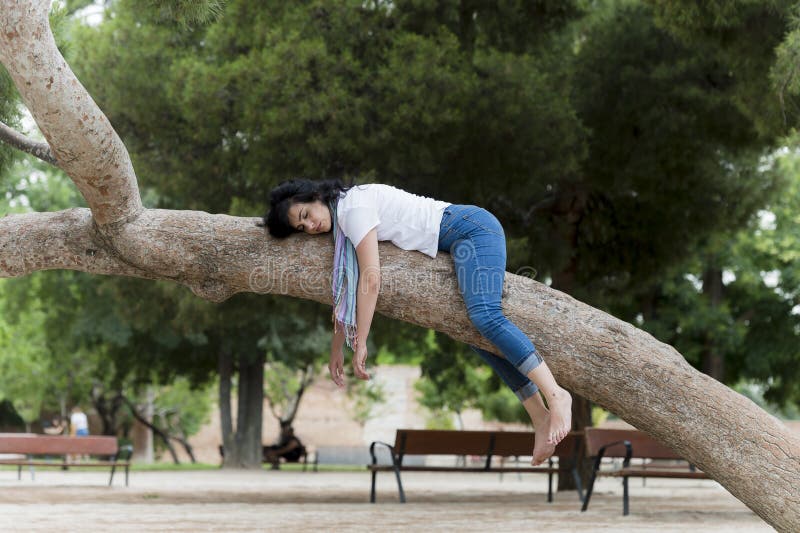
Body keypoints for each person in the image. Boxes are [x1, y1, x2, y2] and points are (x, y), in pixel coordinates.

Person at [264, 179, 572, 465]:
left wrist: (360, 342)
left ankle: (556, 395)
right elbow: (347, 286)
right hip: (456, 241)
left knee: (486, 316)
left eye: (305, 214)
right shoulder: (344, 221)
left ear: (316, 196)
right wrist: (336, 347)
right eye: (301, 227)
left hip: (471, 230)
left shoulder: (352, 210)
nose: (309, 225)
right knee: (471, 332)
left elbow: (370, 279)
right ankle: (539, 416)